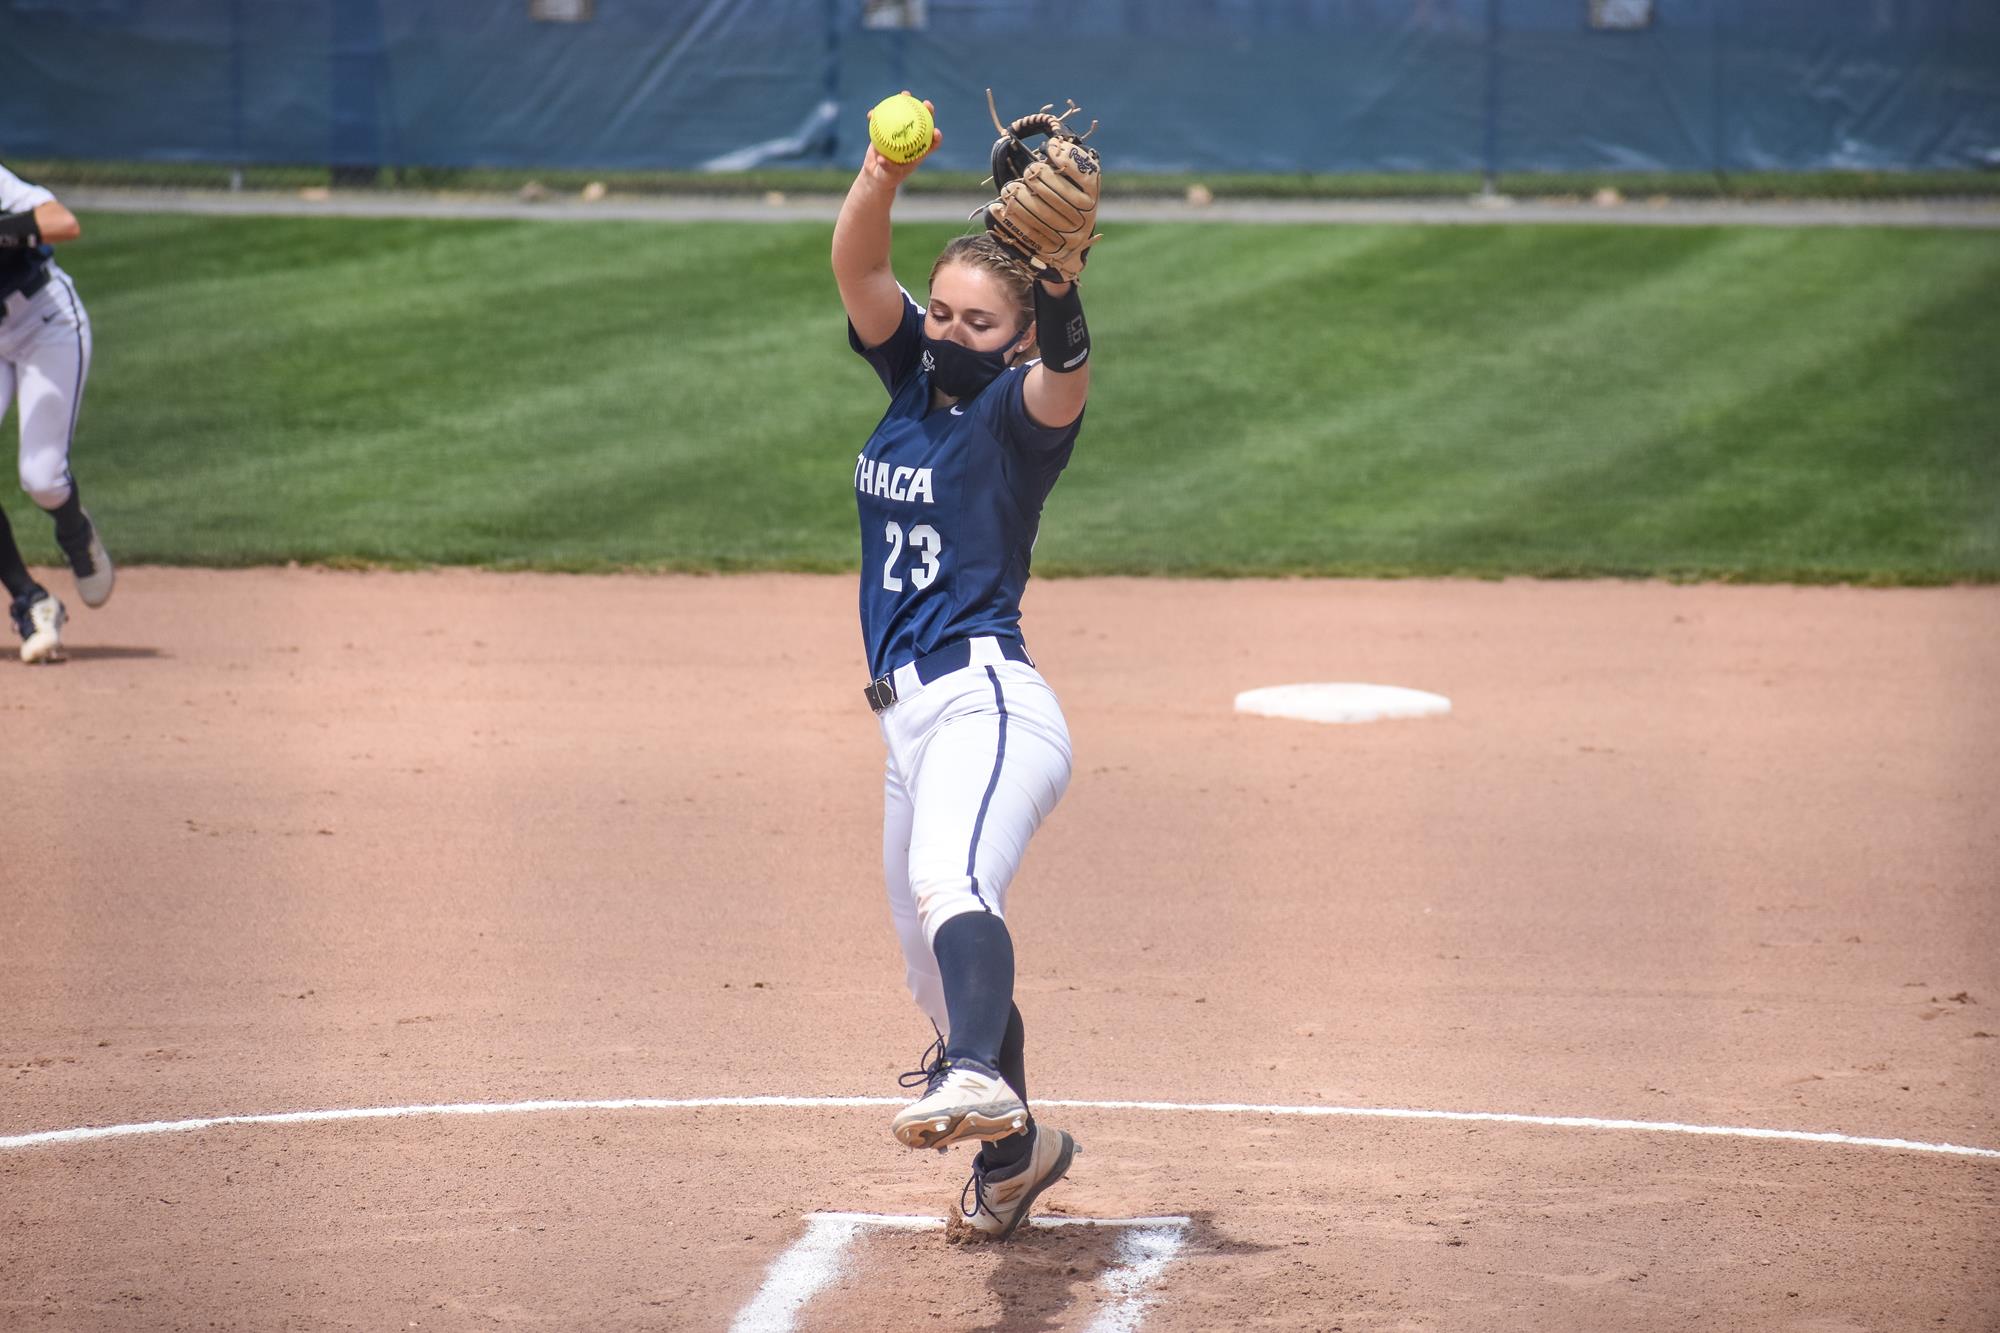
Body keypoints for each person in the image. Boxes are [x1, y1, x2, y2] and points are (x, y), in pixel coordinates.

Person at [831, 93, 1100, 1241]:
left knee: (955, 887)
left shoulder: (1012, 414)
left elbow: (1069, 376)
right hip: (907, 726)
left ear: (1016, 334)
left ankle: (980, 1075)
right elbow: (855, 268)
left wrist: (1057, 278)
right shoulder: (910, 386)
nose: (944, 331)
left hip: (987, 701)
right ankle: (1015, 1155)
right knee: (927, 968)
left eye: (974, 321)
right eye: (937, 311)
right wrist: (880, 173)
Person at [1, 160, 112, 664]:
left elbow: (63, 222)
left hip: (45, 321)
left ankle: (73, 530)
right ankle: (32, 601)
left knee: (41, 477)